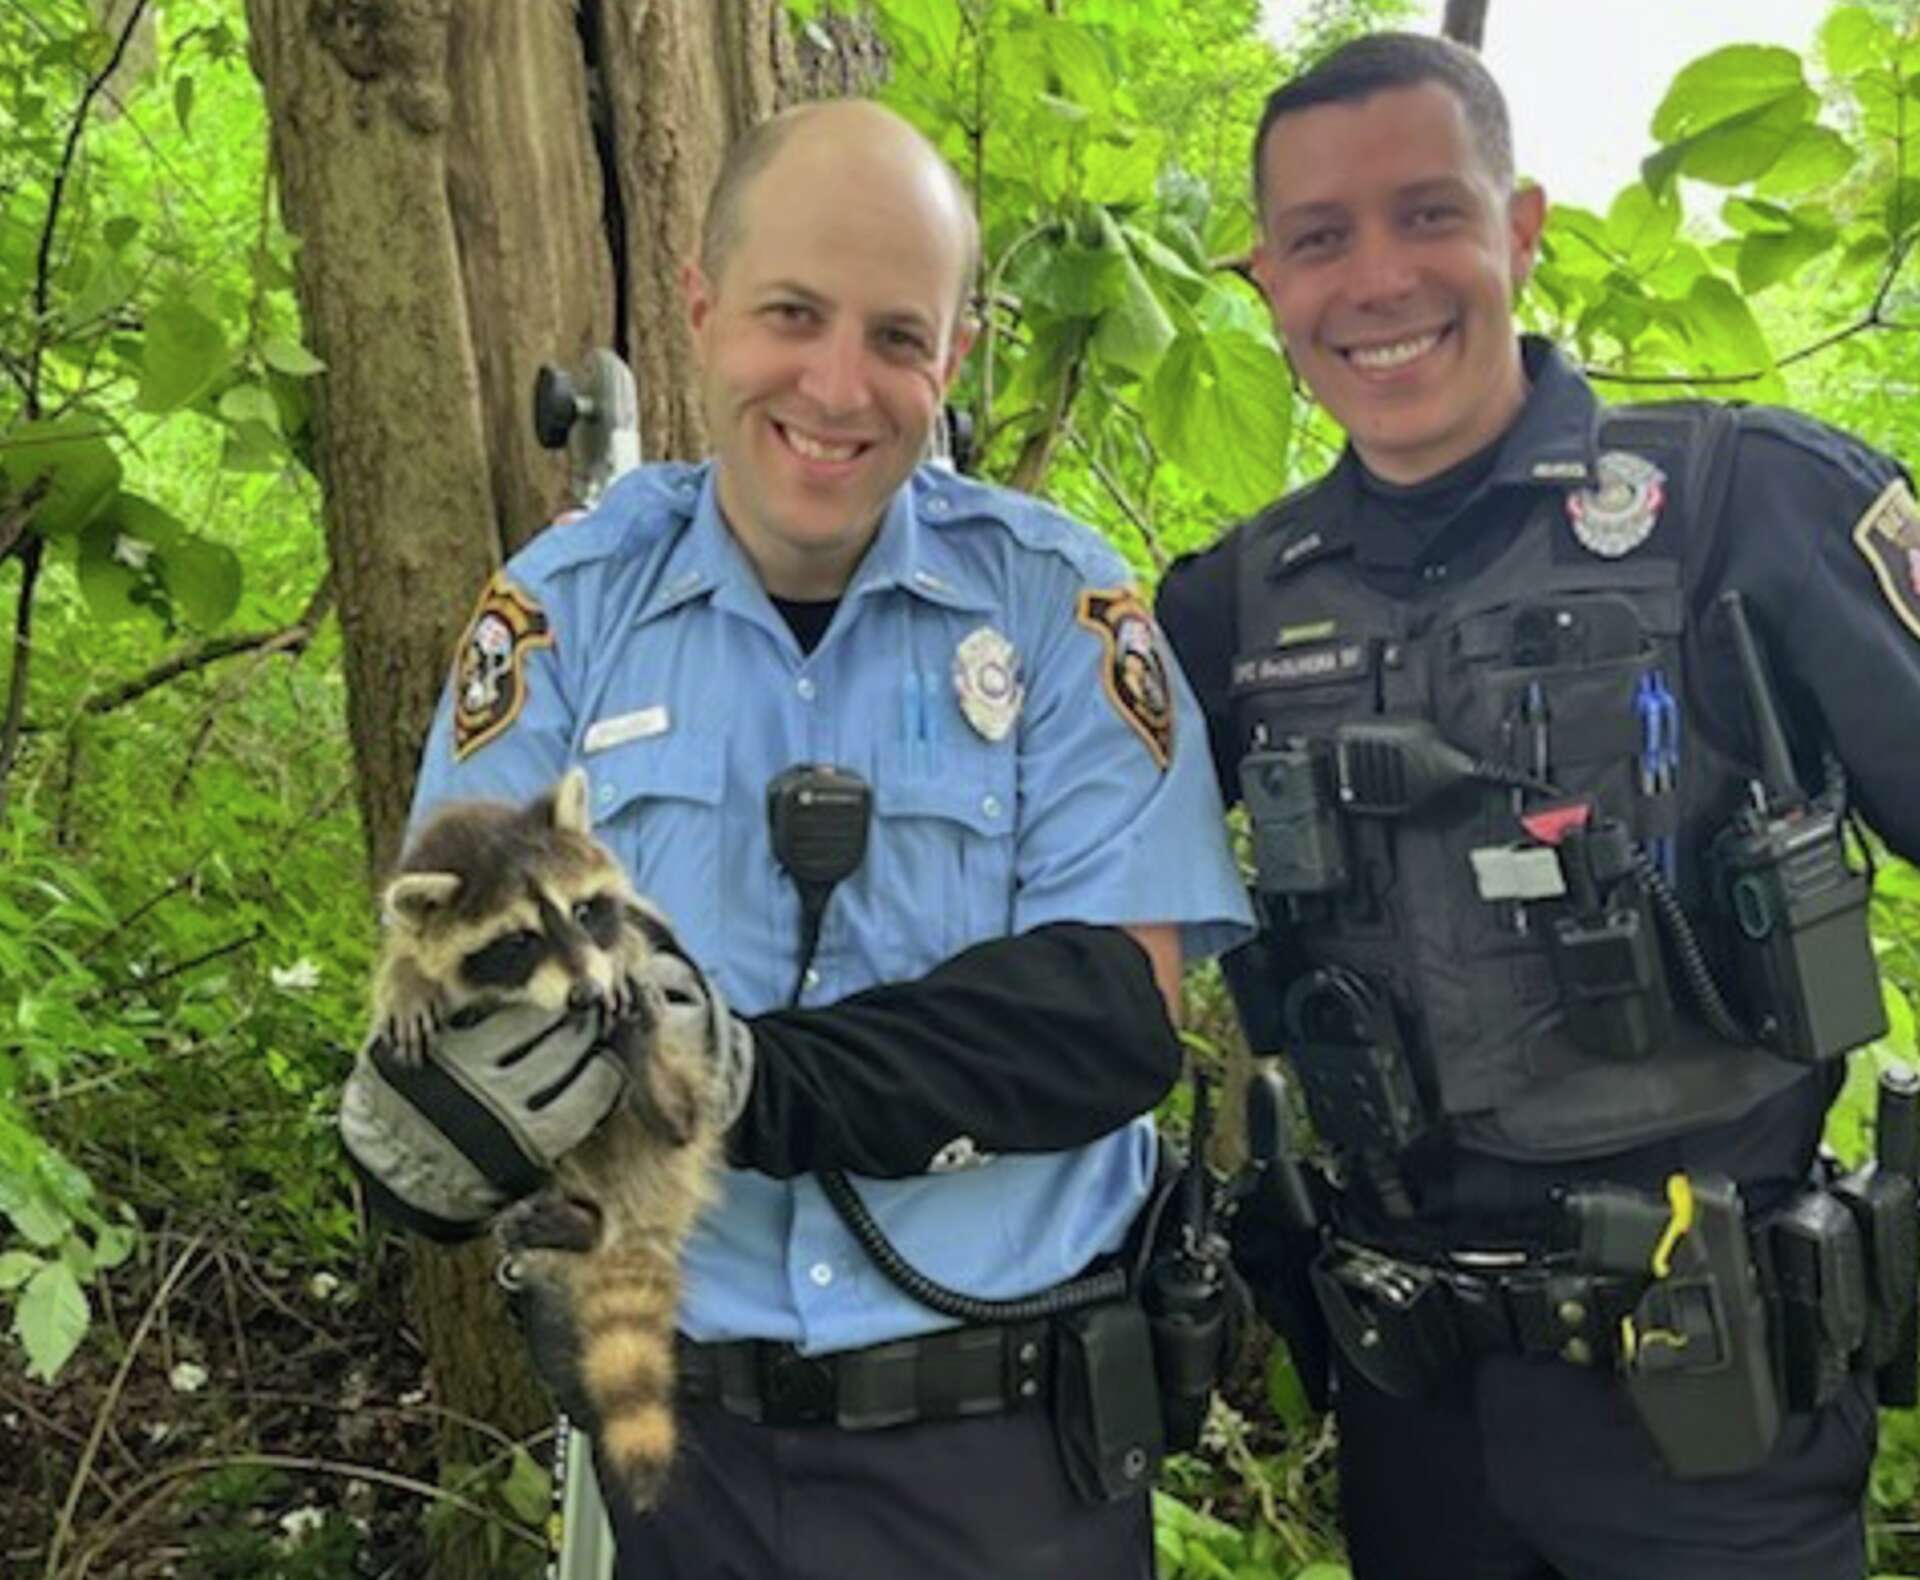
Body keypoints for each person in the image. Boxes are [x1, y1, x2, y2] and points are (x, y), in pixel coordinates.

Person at [341, 99, 1251, 1579]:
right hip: (678, 1451)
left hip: (1011, 1453)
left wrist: (752, 1080)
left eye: (898, 337)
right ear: (701, 308)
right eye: (791, 314)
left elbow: (1112, 1016)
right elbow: (453, 960)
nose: (837, 384)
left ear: (955, 356)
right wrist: (428, 1124)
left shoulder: (1057, 605)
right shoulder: (566, 611)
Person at [1156, 32, 1920, 1580]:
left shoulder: (1748, 505)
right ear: (1266, 280)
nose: (1377, 279)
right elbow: (1068, 901)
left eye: (1429, 215)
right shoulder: (1227, 609)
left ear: (1520, 230)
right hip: (1413, 1421)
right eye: (1320, 238)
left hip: (1718, 1414)